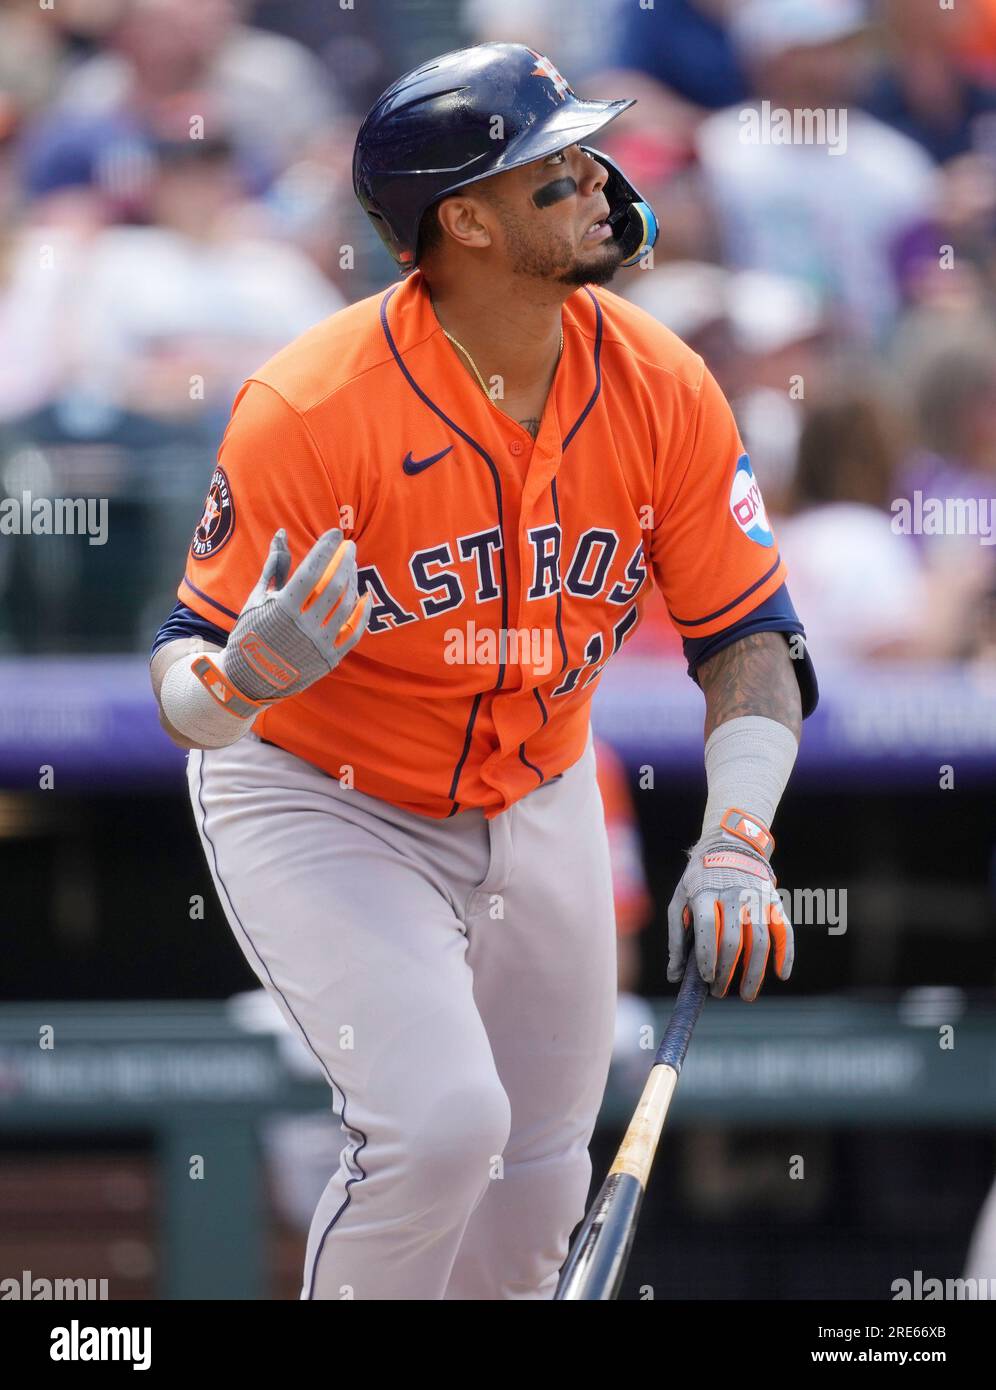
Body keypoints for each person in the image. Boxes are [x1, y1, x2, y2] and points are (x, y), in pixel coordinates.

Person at [150, 42, 816, 1301]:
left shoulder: (662, 383)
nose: (598, 183)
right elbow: (182, 682)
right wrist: (241, 680)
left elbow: (751, 639)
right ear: (464, 221)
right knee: (441, 1125)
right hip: (323, 794)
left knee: (539, 1181)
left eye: (585, 155)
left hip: (541, 787)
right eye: (551, 171)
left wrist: (738, 834)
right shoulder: (312, 404)